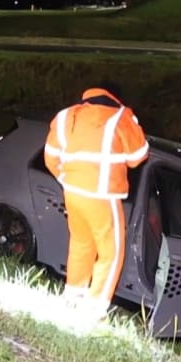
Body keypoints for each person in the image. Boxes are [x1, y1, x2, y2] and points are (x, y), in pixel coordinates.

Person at [43, 82, 149, 322]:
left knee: (81, 244)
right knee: (112, 251)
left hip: (73, 193)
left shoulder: (65, 116)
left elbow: (50, 157)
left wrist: (66, 179)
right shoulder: (120, 117)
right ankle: (96, 307)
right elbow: (138, 157)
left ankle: (72, 296)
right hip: (103, 194)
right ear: (115, 97)